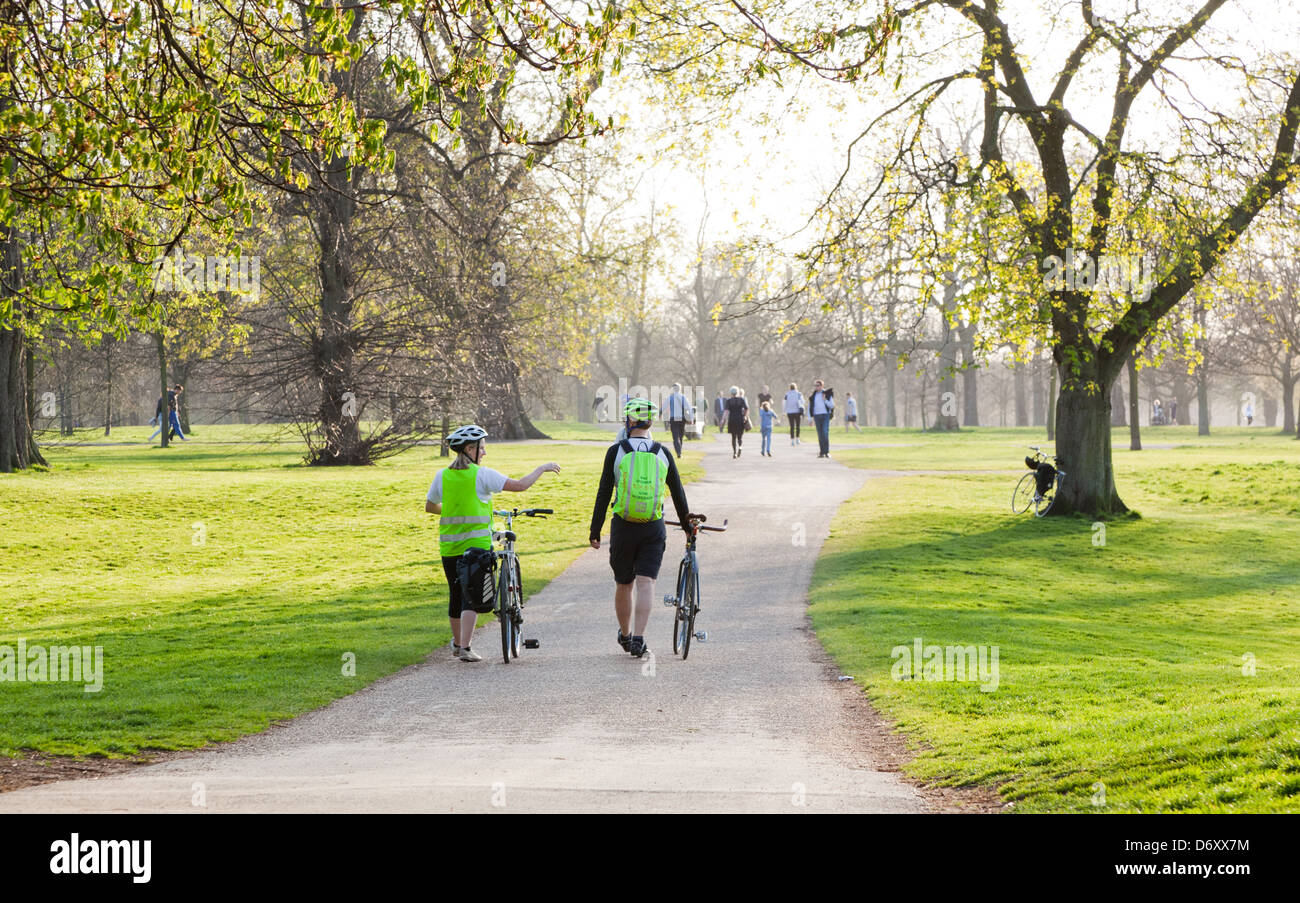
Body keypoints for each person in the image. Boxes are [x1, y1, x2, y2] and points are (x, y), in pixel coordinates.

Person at [426, 425, 560, 662]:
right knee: (471, 597)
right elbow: (520, 485)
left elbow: (430, 506)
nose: (484, 453)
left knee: (456, 594)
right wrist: (542, 468)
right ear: (470, 449)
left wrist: (455, 510)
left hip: (449, 547)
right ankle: (465, 648)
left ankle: (458, 644)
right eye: (482, 449)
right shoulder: (482, 475)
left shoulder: (442, 476)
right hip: (476, 548)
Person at [589, 398, 691, 660]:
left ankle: (625, 634)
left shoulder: (616, 451)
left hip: (623, 526)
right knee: (646, 583)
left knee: (624, 583)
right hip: (653, 527)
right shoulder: (663, 452)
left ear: (629, 422)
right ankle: (639, 638)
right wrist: (686, 526)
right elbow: (678, 494)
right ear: (651, 423)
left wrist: (595, 530)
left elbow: (604, 493)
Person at [664, 383, 693, 457]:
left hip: (673, 419)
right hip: (682, 419)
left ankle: (678, 452)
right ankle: (679, 451)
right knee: (681, 436)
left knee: (675, 436)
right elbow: (689, 408)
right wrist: (691, 418)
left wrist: (660, 414)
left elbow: (664, 406)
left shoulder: (670, 397)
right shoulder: (683, 397)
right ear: (680, 389)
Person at [809, 379, 834, 458]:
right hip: (817, 416)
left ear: (822, 386)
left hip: (825, 415)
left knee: (825, 432)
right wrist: (810, 418)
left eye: (818, 385)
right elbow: (810, 408)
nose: (816, 387)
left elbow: (832, 405)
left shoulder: (827, 394)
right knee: (820, 434)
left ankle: (827, 452)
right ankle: (822, 452)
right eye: (815, 386)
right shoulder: (813, 396)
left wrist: (825, 400)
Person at [724, 385, 749, 458]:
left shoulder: (729, 401)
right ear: (737, 392)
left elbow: (726, 411)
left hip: (732, 420)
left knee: (733, 437)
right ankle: (740, 447)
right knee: (740, 437)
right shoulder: (741, 400)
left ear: (731, 393)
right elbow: (747, 408)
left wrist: (723, 420)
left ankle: (734, 452)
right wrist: (745, 416)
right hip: (740, 420)